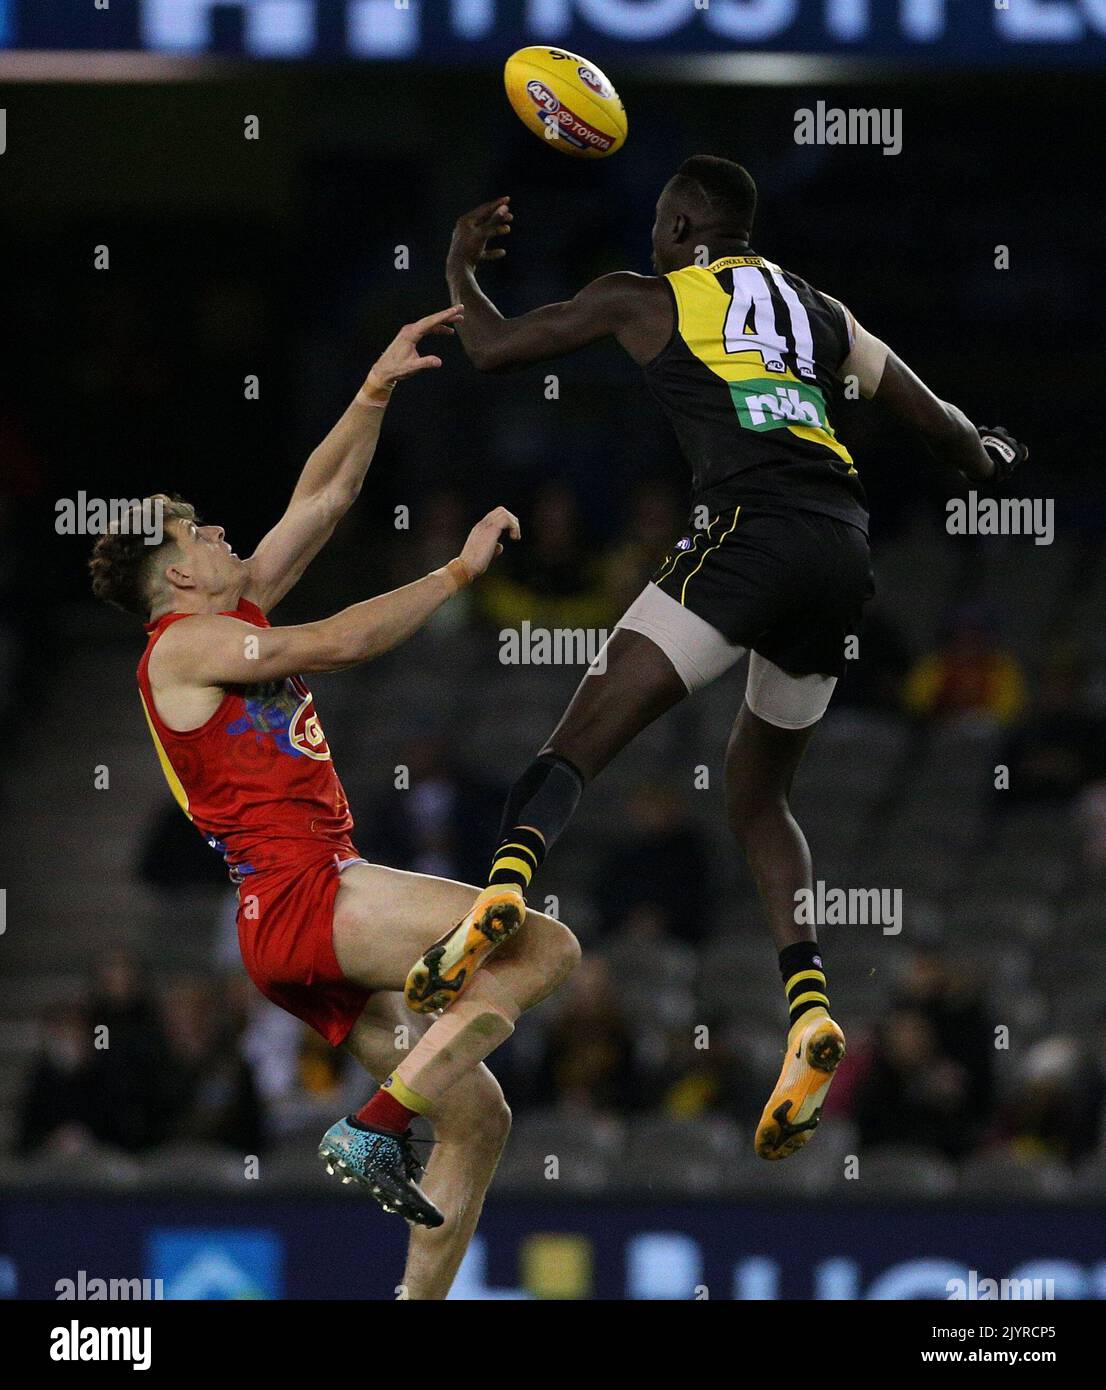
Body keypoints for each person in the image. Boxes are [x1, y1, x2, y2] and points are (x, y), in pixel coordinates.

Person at [436, 154, 1028, 1160]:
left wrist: (458, 267)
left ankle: (500, 888)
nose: (650, 236)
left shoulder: (642, 295)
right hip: (840, 551)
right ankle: (807, 1009)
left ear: (677, 227)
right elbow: (939, 427)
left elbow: (492, 348)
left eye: (659, 221)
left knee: (574, 742)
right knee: (759, 800)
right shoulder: (817, 309)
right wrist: (990, 454)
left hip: (745, 532)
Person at [89, 307, 579, 1299]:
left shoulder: (224, 618)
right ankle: (375, 1123)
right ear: (179, 571)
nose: (227, 534)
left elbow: (323, 496)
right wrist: (451, 573)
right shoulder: (180, 648)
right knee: (545, 947)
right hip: (309, 893)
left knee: (478, 1114)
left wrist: (373, 388)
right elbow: (338, 644)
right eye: (205, 532)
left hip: (295, 923)